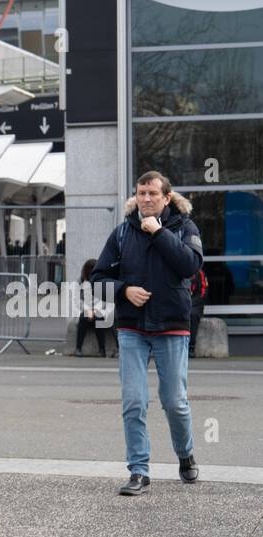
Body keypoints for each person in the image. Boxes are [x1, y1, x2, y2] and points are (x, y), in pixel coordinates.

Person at [89, 170, 203, 496]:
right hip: (132, 328)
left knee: (174, 402)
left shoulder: (184, 228)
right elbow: (97, 278)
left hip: (171, 326)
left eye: (153, 193)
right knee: (134, 402)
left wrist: (159, 233)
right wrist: (124, 291)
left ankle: (185, 454)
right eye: (141, 193)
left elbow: (190, 266)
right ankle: (139, 472)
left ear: (167, 197)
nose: (146, 199)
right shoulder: (123, 232)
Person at [74, 258, 111, 358]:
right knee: (83, 318)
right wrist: (88, 310)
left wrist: (95, 310)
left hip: (99, 310)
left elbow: (105, 299)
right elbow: (78, 300)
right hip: (85, 310)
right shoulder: (80, 282)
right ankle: (78, 348)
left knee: (99, 319)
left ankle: (102, 350)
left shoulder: (103, 281)